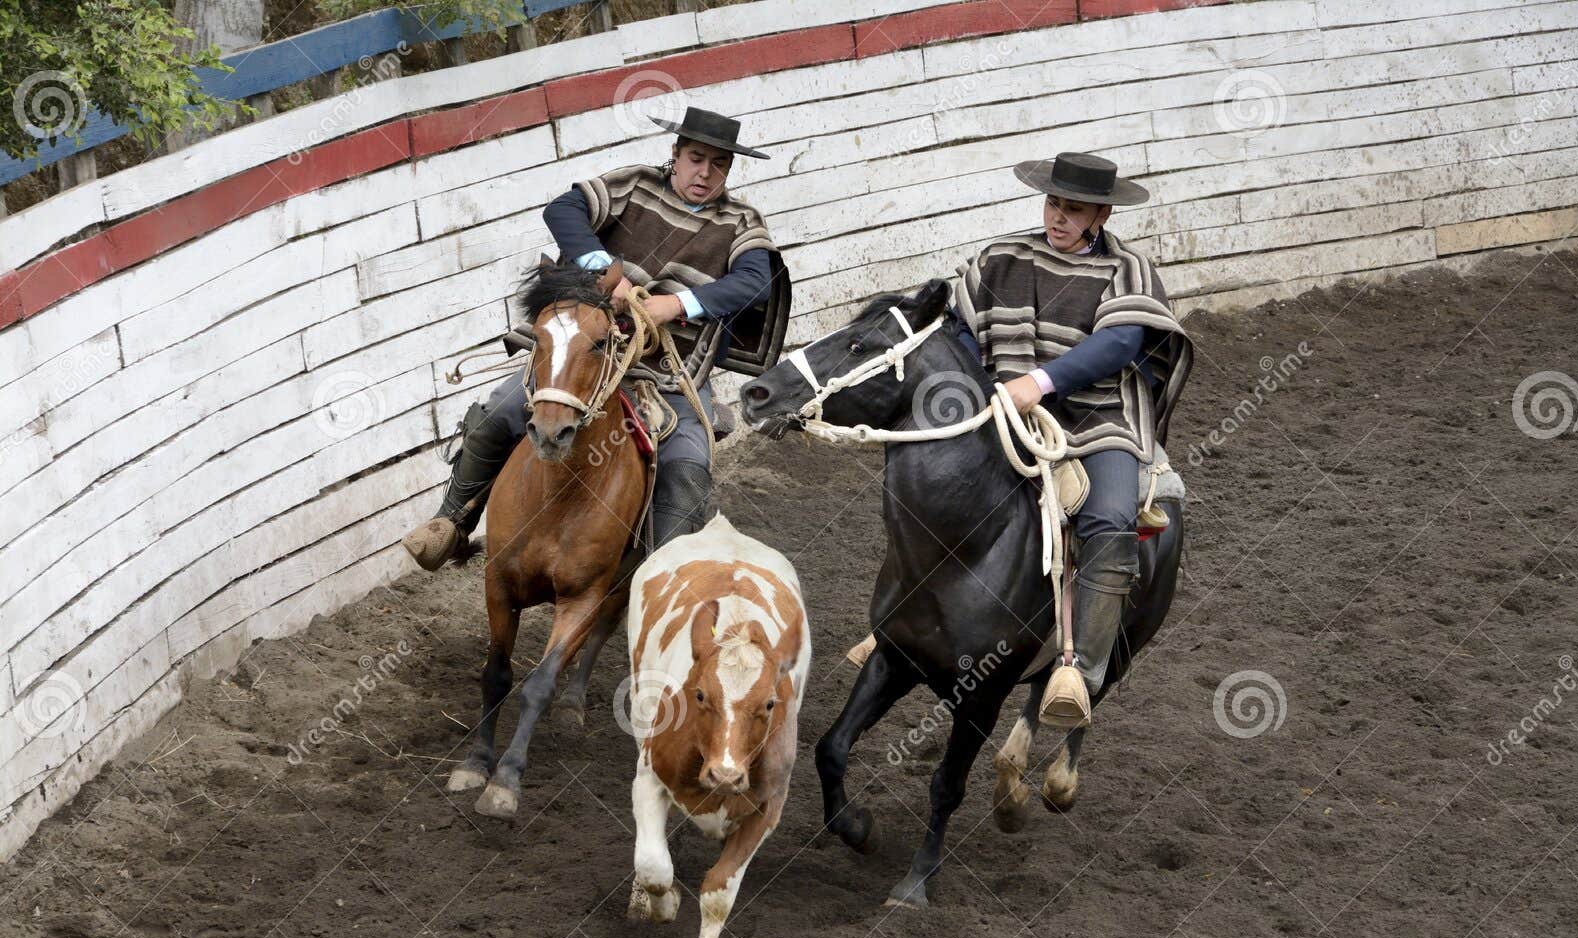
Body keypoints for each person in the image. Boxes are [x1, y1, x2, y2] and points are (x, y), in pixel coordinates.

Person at [855, 152, 1194, 728]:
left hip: (1097, 423)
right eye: (1053, 204)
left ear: (1101, 215)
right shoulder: (1001, 256)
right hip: (1003, 413)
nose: (1058, 217)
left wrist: (1037, 383)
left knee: (1109, 519)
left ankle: (1079, 670)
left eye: (1074, 210)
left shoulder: (1128, 270)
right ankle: (901, 625)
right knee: (935, 493)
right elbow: (961, 328)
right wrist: (983, 387)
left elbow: (1118, 345)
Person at [402, 107, 787, 570]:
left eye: (719, 164)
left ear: (729, 168)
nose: (705, 173)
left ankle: (660, 578)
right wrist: (605, 271)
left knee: (688, 459)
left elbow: (753, 281)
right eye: (696, 158)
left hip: (671, 368)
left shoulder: (742, 221)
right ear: (676, 155)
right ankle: (452, 523)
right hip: (586, 350)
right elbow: (563, 210)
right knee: (502, 409)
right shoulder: (637, 183)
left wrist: (676, 305)